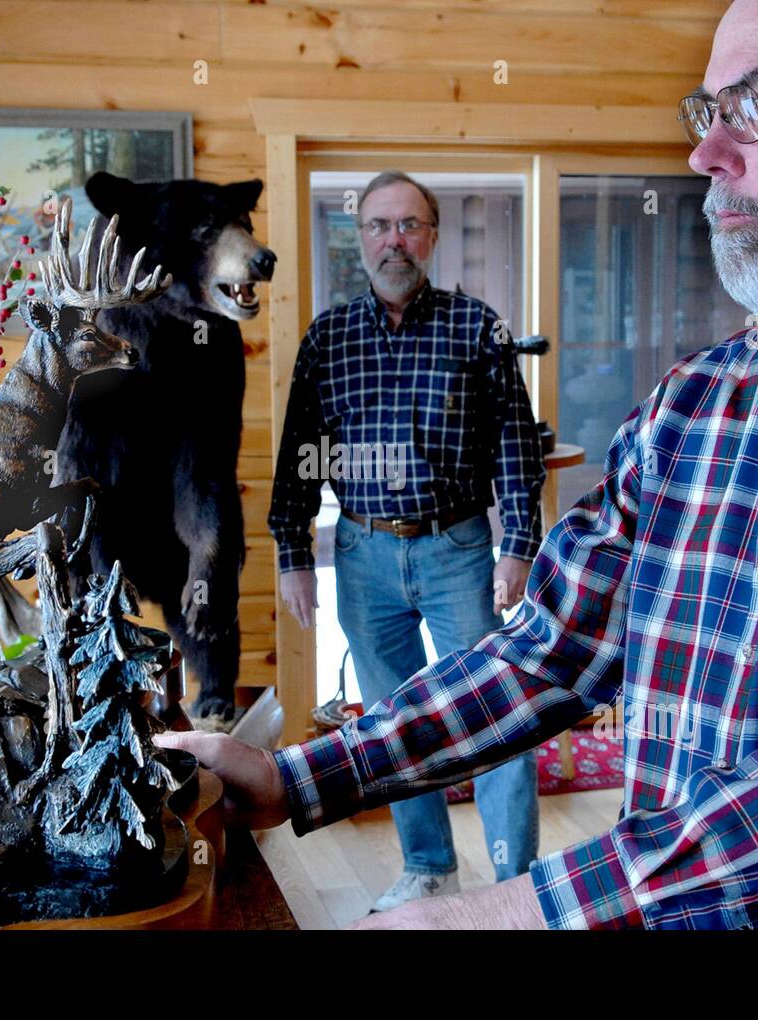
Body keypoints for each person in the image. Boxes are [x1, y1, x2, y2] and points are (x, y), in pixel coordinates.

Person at [164, 0, 758, 929]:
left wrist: (497, 913)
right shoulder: (694, 403)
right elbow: (549, 648)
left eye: (754, 105)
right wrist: (297, 777)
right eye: (706, 111)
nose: (705, 155)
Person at [265, 170, 547, 911]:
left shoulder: (477, 328)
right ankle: (429, 867)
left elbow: (515, 447)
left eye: (410, 225)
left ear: (432, 235)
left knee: (494, 712)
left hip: (458, 551)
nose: (395, 240)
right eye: (380, 226)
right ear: (360, 239)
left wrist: (518, 544)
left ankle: (513, 877)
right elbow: (301, 452)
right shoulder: (327, 338)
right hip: (361, 557)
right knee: (393, 722)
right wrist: (293, 555)